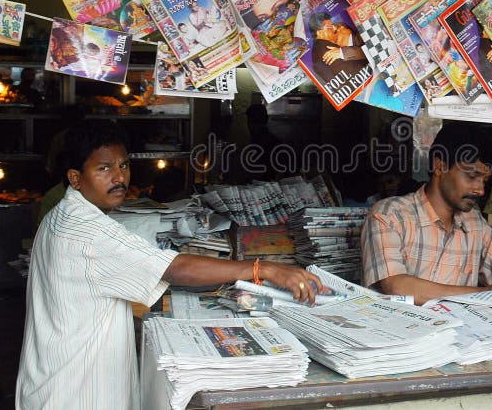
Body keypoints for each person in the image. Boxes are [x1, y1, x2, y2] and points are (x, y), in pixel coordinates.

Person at [16, 121, 324, 408]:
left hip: (52, 381)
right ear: (75, 177)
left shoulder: (63, 214)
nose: (119, 178)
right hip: (76, 394)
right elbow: (174, 268)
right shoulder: (89, 232)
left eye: (123, 166)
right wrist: (264, 269)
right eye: (104, 168)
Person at [361, 123, 492, 306]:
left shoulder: (475, 224)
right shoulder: (389, 216)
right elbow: (397, 285)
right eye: (472, 176)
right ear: (440, 166)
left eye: (484, 180)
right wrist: (484, 294)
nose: (480, 190)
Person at [308, 12, 367, 83]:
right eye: (330, 26)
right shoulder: (325, 48)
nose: (334, 29)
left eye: (336, 30)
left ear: (343, 29)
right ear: (319, 32)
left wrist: (343, 52)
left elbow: (372, 51)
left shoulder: (362, 35)